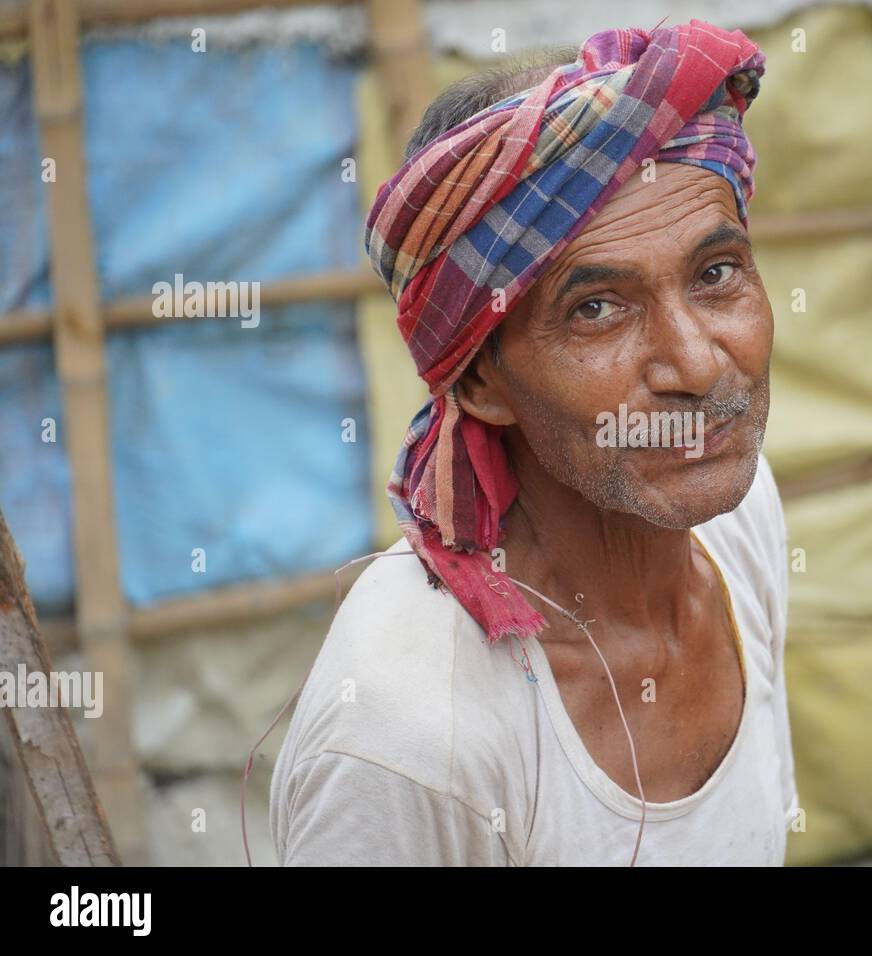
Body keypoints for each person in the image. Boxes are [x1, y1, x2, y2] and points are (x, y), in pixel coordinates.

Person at [270, 19, 797, 866]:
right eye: (596, 309)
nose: (698, 366)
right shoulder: (407, 732)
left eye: (716, 274)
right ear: (479, 380)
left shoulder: (737, 518)